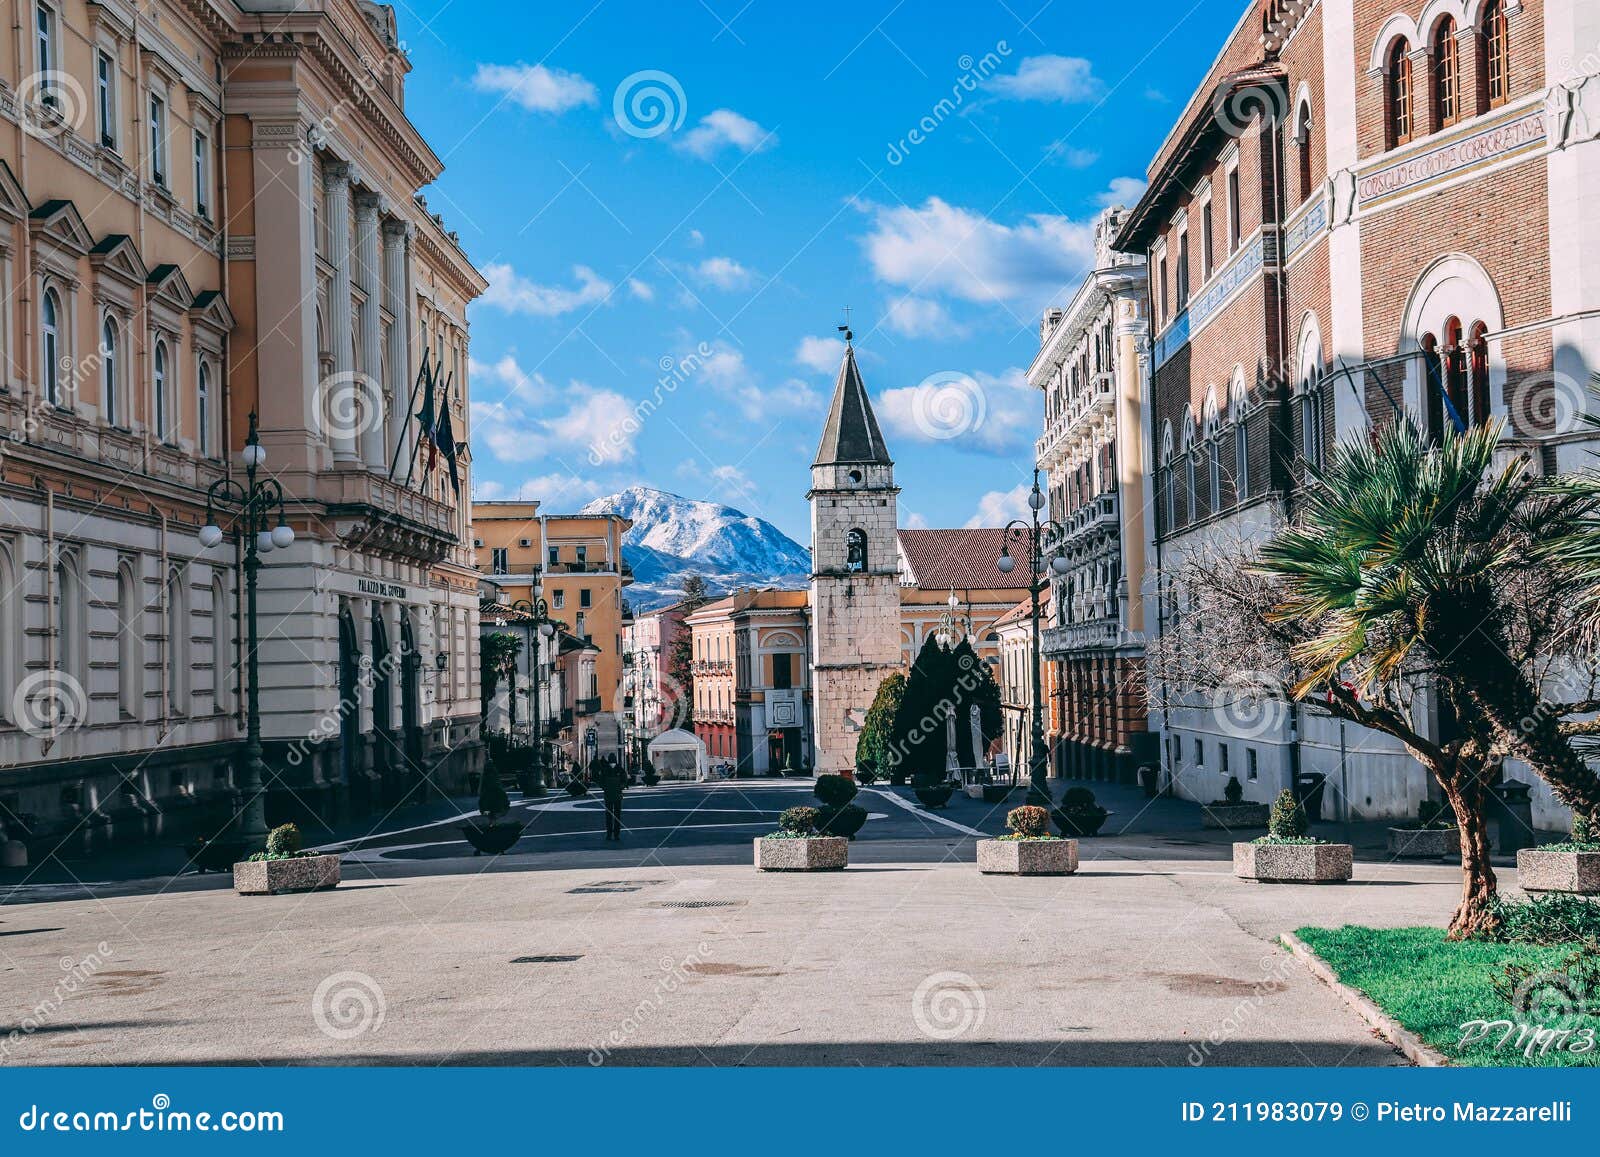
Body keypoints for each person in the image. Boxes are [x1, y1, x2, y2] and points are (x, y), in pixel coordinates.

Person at [597, 755, 627, 841]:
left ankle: (609, 834)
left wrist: (605, 788)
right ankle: (616, 834)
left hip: (609, 795)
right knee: (617, 815)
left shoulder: (605, 770)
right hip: (617, 795)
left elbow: (600, 781)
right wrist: (620, 787)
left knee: (609, 816)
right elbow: (624, 781)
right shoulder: (620, 769)